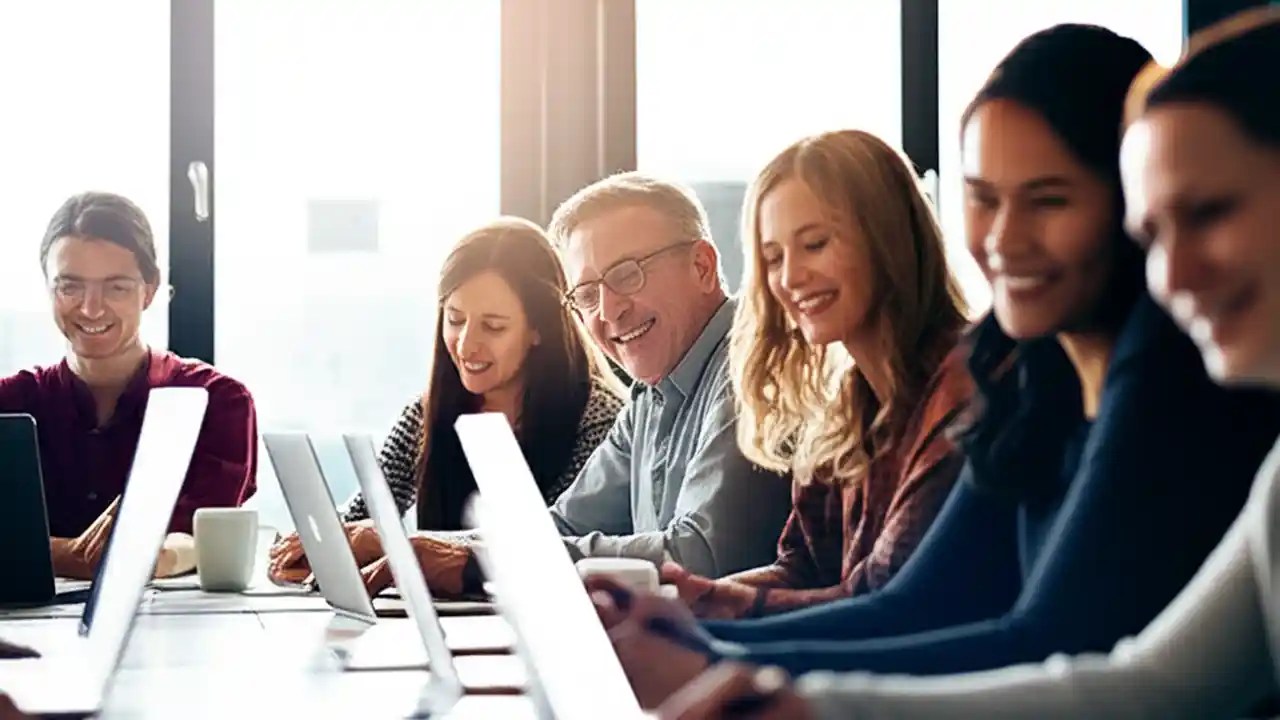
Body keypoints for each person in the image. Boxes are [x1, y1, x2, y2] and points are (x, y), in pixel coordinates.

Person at [590, 24, 1280, 708]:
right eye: (982, 199)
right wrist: (704, 650)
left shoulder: (1160, 381)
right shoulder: (1029, 374)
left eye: (1050, 200)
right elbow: (921, 606)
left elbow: (1057, 647)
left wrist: (754, 677)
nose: (1005, 239)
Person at [364, 173, 792, 597]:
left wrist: (478, 564)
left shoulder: (755, 367)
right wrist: (406, 547)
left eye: (627, 275)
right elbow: (560, 527)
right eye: (587, 293)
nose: (608, 311)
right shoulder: (650, 395)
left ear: (702, 266)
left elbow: (700, 556)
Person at [659, 129, 973, 620]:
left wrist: (707, 608)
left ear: (886, 235)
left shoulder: (964, 386)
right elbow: (803, 568)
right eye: (773, 257)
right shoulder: (848, 405)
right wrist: (688, 597)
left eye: (815, 244)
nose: (789, 277)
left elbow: (882, 601)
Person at [268, 217, 626, 582]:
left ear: (539, 329)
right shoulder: (426, 413)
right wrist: (313, 542)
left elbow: (557, 538)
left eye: (494, 326)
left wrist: (396, 543)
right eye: (455, 320)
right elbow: (366, 516)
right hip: (442, 623)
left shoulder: (597, 419)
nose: (466, 344)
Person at [0, 191, 257, 580]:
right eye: (70, 287)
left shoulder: (218, 401)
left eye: (116, 287)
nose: (91, 308)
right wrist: (72, 555)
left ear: (150, 289)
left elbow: (198, 532)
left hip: (173, 626)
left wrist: (153, 557)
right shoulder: (10, 402)